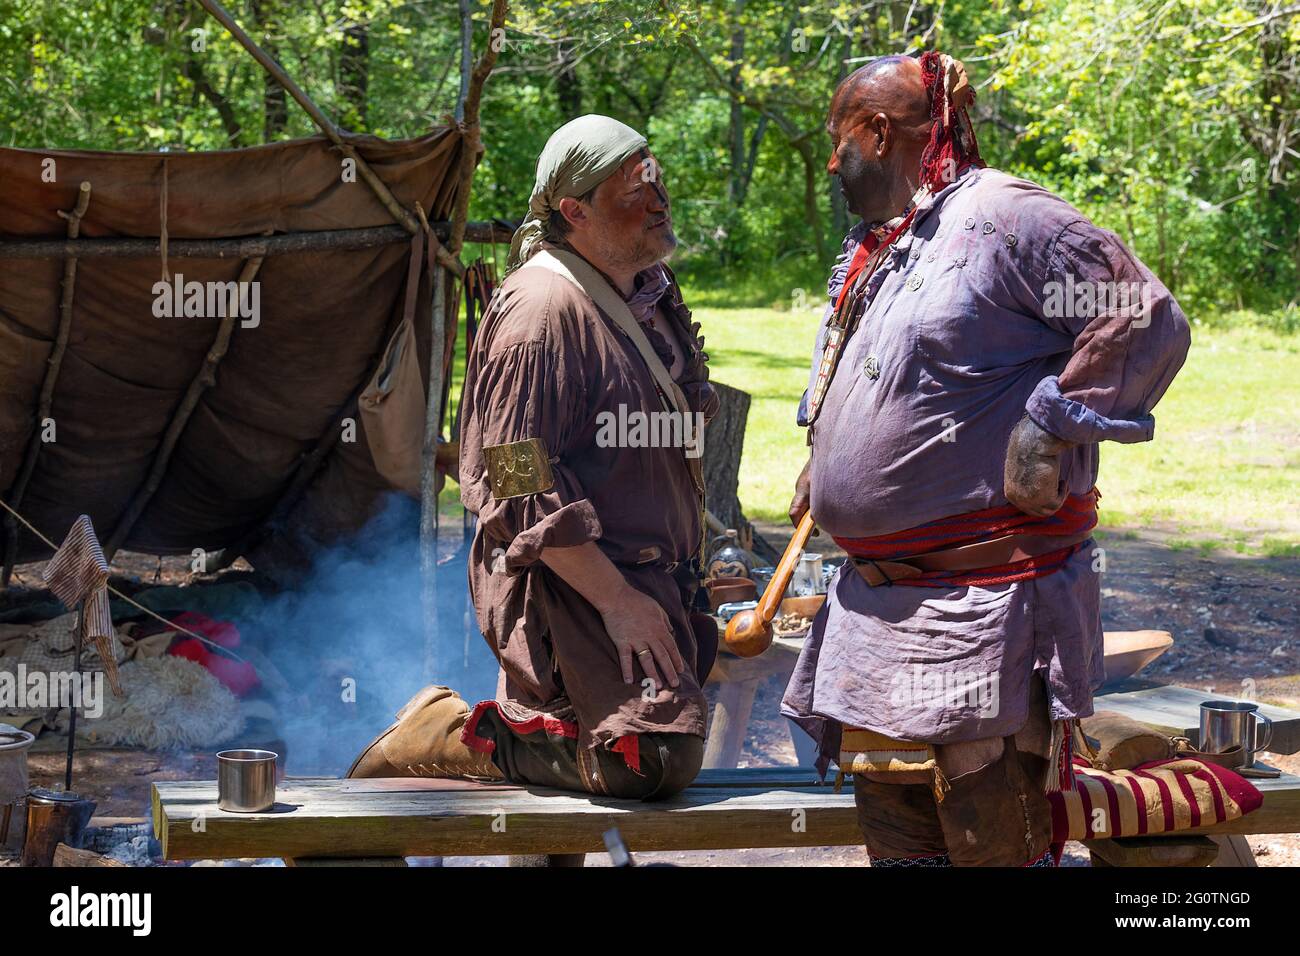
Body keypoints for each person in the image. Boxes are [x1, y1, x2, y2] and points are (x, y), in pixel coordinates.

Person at [780, 53, 1192, 866]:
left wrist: (1051, 427)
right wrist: (828, 461)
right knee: (902, 850)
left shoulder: (1005, 216)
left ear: (878, 131)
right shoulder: (892, 242)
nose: (833, 163)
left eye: (838, 142)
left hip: (977, 616)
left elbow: (1142, 313)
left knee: (993, 845)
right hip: (878, 621)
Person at [347, 115, 719, 801]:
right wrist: (616, 602)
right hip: (571, 583)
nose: (660, 200)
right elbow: (519, 476)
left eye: (656, 179)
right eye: (635, 189)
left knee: (647, 749)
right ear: (574, 210)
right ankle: (444, 733)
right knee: (647, 758)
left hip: (647, 579)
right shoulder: (541, 313)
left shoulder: (648, 297)